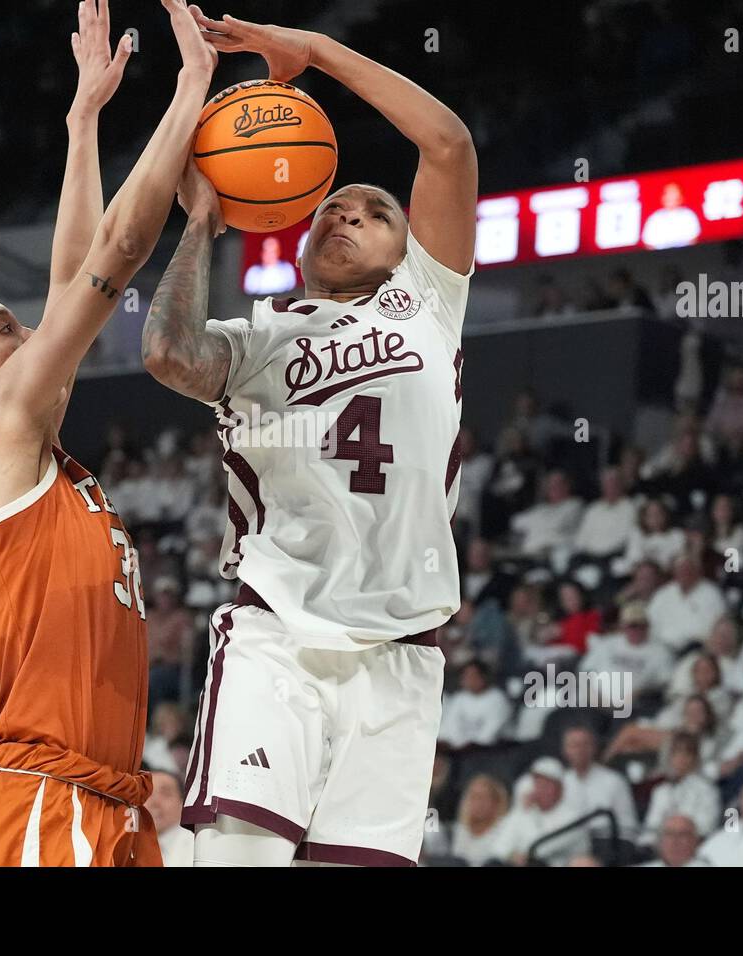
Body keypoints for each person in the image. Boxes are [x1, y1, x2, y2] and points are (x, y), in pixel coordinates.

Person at [0, 0, 217, 866]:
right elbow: (117, 252)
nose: (28, 332)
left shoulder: (28, 453)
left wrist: (82, 123)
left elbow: (73, 274)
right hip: (41, 802)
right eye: (1, 329)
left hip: (106, 799)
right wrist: (191, 91)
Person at [142, 10, 477, 867]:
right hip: (278, 638)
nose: (350, 213)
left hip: (401, 656)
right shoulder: (256, 339)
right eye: (333, 207)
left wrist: (316, 52)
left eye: (376, 211)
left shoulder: (428, 303)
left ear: (411, 249)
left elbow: (446, 146)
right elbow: (167, 353)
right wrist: (200, 225)